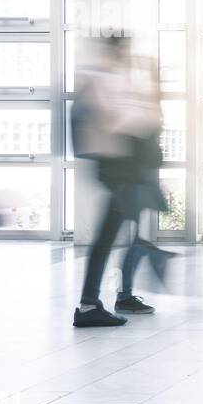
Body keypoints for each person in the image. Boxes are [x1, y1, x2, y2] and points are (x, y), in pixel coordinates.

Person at [72, 37, 167, 328]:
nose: (127, 55)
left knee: (116, 234)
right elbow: (122, 121)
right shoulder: (101, 81)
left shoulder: (112, 80)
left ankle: (102, 300)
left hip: (125, 169)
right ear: (114, 51)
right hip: (118, 170)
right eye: (123, 50)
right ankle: (92, 304)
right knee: (109, 236)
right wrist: (144, 109)